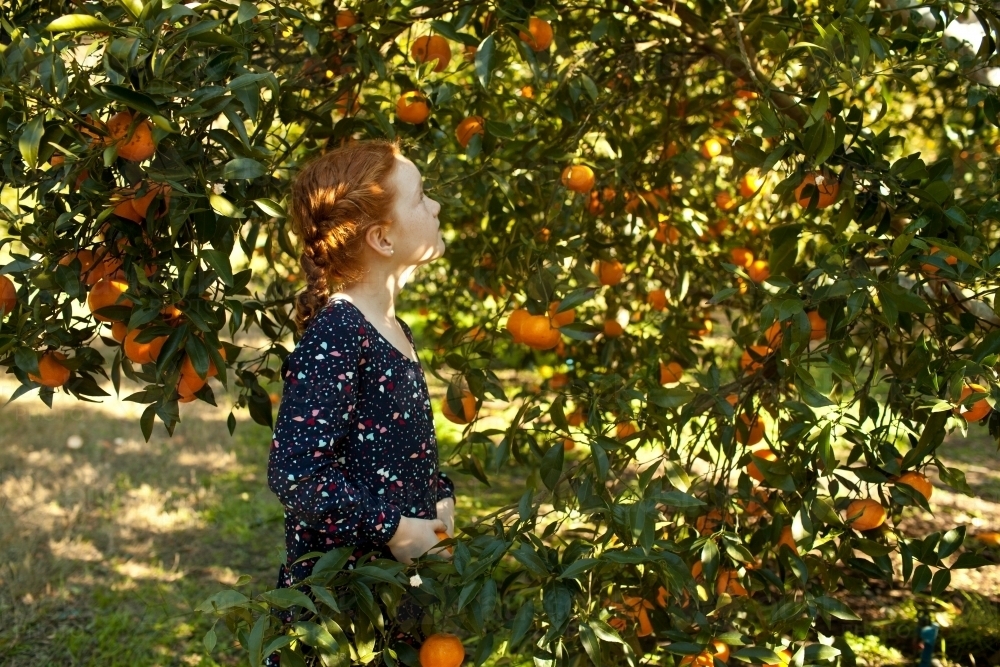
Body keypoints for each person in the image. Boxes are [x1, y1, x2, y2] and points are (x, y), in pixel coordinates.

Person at [265, 138, 455, 665]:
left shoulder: (391, 327)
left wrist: (439, 498)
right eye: (419, 198)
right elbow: (297, 473)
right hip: (343, 606)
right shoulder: (339, 334)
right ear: (382, 238)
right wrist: (394, 529)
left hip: (394, 591)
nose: (435, 206)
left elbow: (399, 446)